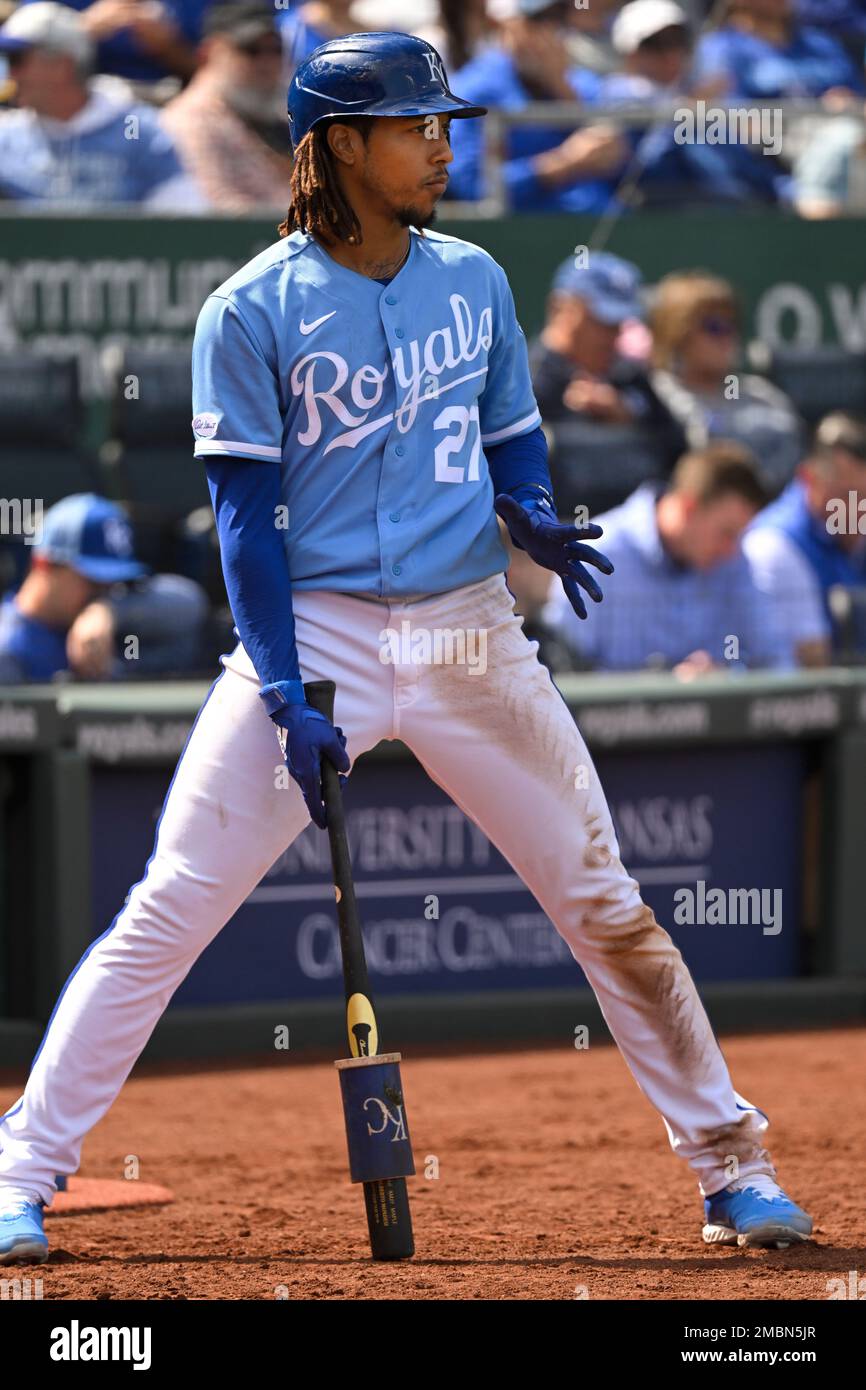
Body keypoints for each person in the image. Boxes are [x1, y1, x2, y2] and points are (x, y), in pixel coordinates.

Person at [0, 30, 812, 1267]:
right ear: (339, 143)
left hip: (469, 631)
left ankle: (732, 1167)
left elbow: (510, 437)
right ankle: (19, 1172)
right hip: (313, 628)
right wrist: (278, 682)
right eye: (416, 127)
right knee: (167, 909)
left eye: (444, 125)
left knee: (602, 902)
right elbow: (246, 527)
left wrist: (527, 501)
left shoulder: (475, 278)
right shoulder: (248, 312)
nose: (441, 147)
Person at [544, 442, 796, 674]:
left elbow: (776, 665)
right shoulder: (594, 557)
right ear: (688, 508)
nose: (732, 549)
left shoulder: (736, 561)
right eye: (726, 533)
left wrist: (727, 679)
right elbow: (563, 677)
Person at [0, 2, 205, 207]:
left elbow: (182, 216)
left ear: (62, 65)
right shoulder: (7, 138)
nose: (10, 75)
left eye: (18, 61)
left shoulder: (132, 126)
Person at [0, 494, 209, 683]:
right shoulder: (9, 646)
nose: (104, 591)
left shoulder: (118, 629)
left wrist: (110, 610)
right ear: (43, 564)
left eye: (112, 582)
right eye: (92, 581)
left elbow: (191, 601)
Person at [444, 0, 629, 210]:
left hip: (602, 227)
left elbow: (628, 170)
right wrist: (562, 164)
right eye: (537, 20)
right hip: (518, 234)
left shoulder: (583, 83)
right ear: (504, 24)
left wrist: (564, 91)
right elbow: (470, 185)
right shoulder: (473, 88)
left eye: (558, 20)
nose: (549, 32)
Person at [648, 270, 805, 494]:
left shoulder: (763, 394)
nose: (727, 336)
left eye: (731, 325)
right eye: (713, 327)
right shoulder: (655, 396)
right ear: (678, 332)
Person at [529, 251, 686, 456]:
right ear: (560, 309)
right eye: (603, 321)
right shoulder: (525, 379)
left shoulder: (628, 374)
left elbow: (678, 447)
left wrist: (629, 415)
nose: (614, 336)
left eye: (619, 324)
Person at [743, 412, 866, 661]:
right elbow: (811, 664)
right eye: (847, 495)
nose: (859, 508)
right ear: (809, 478)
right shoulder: (771, 546)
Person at [161, 2, 291, 212]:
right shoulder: (191, 121)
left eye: (276, 50)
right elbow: (217, 211)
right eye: (251, 50)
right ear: (208, 53)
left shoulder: (274, 116)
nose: (267, 62)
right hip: (249, 242)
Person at [693, 0, 866, 101]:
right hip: (768, 151)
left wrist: (847, 103)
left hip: (841, 138)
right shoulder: (721, 48)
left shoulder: (821, 43)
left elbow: (858, 98)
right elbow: (732, 119)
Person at [14, 0, 208, 84]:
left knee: (134, 136)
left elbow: (223, 71)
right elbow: (19, 50)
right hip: (76, 102)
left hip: (168, 103)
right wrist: (83, 29)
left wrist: (170, 48)